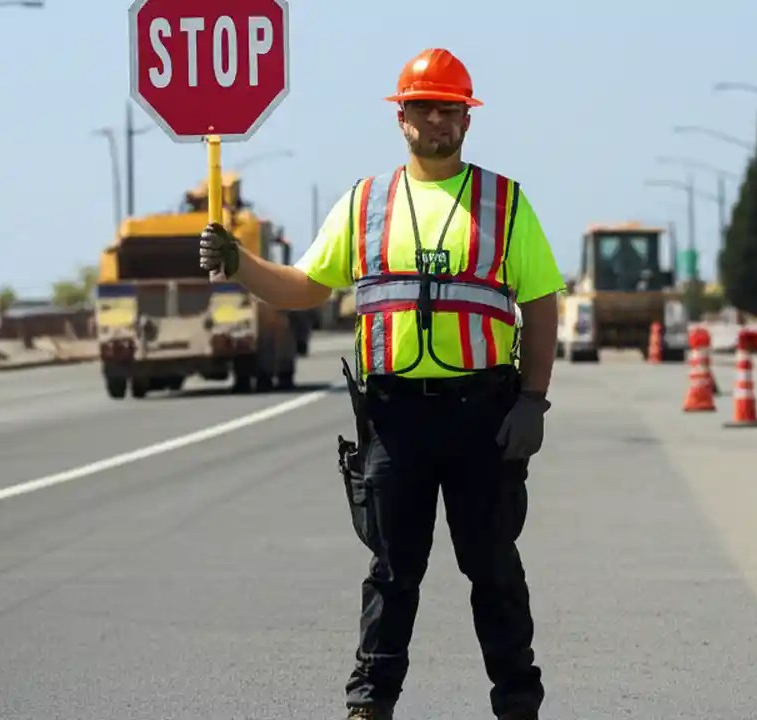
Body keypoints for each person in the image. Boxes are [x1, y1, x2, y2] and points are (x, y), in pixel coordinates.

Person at [199, 47, 566, 720]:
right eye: (423, 107)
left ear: (467, 119)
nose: (436, 120)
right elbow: (305, 285)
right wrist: (241, 262)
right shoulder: (366, 204)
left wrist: (533, 401)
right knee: (392, 573)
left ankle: (518, 702)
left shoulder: (504, 202)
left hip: (483, 415)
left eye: (449, 108)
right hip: (396, 421)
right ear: (401, 117)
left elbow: (541, 303)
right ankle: (370, 705)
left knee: (493, 569)